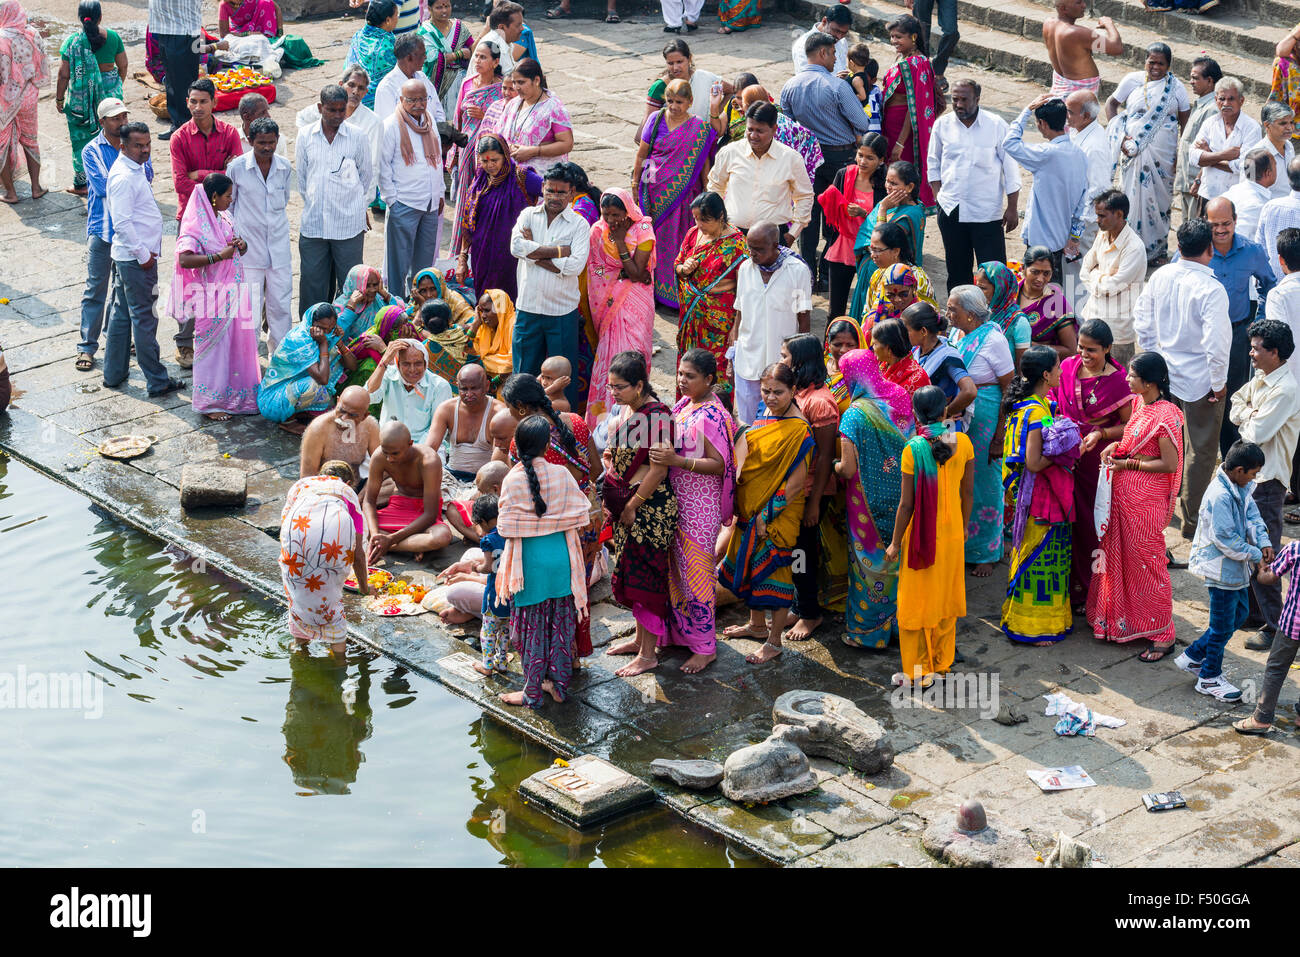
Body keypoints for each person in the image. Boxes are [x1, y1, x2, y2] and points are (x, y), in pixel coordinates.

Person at [1134, 220, 1232, 540]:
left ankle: (1160, 507)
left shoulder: (1161, 275)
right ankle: (1191, 522)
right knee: (1200, 452)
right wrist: (1219, 384)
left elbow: (1143, 321)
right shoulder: (1211, 289)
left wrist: (1152, 361)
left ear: (1178, 247)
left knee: (1167, 444)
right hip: (1200, 382)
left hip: (1164, 375)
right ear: (1210, 249)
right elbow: (1216, 345)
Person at [1088, 352, 1185, 656]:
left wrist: (1129, 465)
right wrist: (1116, 446)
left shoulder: (1167, 416)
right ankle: (1119, 621)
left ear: (1149, 381)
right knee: (1119, 560)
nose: (1127, 379)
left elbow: (1168, 464)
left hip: (1146, 503)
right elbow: (1133, 440)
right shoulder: (1141, 404)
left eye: (1132, 375)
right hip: (1124, 497)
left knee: (1148, 564)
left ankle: (1163, 635)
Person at [646, 349, 736, 673]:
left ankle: (705, 647)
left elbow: (719, 465)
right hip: (680, 501)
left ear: (709, 379)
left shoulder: (711, 416)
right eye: (681, 374)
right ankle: (676, 634)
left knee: (697, 575)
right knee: (676, 572)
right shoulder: (686, 405)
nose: (682, 381)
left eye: (690, 376)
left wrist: (677, 462)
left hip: (701, 507)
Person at [719, 361, 814, 664]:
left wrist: (766, 515)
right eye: (765, 391)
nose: (770, 398)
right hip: (751, 510)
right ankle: (756, 626)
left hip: (778, 514)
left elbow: (796, 484)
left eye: (778, 392)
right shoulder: (767, 417)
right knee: (747, 567)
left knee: (778, 572)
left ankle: (774, 640)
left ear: (794, 391)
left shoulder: (799, 430)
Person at [500, 372, 601, 656]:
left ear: (520, 408)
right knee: (578, 588)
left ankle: (551, 657)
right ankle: (575, 654)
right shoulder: (577, 422)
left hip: (552, 530)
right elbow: (595, 469)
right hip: (587, 520)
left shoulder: (522, 441)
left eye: (509, 407)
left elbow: (520, 489)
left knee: (549, 597)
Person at [495, 414, 590, 708]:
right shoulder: (562, 474)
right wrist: (553, 522)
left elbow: (504, 528)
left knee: (531, 630)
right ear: (547, 444)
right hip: (562, 559)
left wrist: (534, 524)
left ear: (517, 444)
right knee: (561, 627)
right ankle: (559, 686)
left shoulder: (512, 479)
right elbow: (582, 514)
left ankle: (532, 692)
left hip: (529, 565)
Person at [885, 384, 972, 682]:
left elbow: (906, 504)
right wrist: (962, 529)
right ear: (946, 411)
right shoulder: (962, 442)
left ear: (914, 415)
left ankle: (920, 673)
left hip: (921, 538)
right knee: (944, 602)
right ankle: (942, 663)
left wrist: (895, 543)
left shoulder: (913, 448)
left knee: (916, 605)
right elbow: (968, 494)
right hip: (952, 538)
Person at [602, 353, 679, 678]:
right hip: (628, 508)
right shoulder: (631, 411)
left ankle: (648, 654)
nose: (614, 393)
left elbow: (658, 470)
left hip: (649, 510)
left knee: (646, 580)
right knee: (630, 576)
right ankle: (638, 640)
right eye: (610, 387)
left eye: (619, 387)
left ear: (638, 385)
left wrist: (632, 506)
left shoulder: (658, 416)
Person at [1048, 318, 1132, 611]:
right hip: (1065, 453)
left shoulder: (1119, 381)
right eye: (1081, 348)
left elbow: (1129, 425)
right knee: (1064, 518)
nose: (1084, 355)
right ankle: (1067, 582)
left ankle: (1093, 587)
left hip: (1095, 462)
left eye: (1092, 350)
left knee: (1092, 524)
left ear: (1108, 349)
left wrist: (1100, 433)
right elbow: (1053, 397)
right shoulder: (1068, 367)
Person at [1178, 441, 1272, 701]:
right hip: (1220, 569)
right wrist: (1255, 555)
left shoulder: (1240, 486)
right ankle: (1208, 678)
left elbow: (1253, 516)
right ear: (1240, 470)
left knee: (1239, 613)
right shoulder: (1219, 495)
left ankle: (1194, 655)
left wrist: (1263, 542)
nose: (1255, 478)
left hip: (1236, 568)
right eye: (1253, 473)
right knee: (1221, 627)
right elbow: (1226, 539)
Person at [1229, 320, 1300, 654]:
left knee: (1266, 553)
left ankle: (1276, 627)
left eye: (1257, 348)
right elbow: (1236, 406)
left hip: (1268, 481)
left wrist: (1248, 415)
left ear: (1275, 352)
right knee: (1248, 545)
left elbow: (1256, 434)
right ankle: (1254, 611)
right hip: (1253, 479)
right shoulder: (1262, 377)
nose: (1252, 353)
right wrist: (1250, 412)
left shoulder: (1285, 389)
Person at [781, 31, 872, 290]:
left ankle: (808, 274)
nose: (835, 59)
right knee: (836, 216)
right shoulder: (837, 85)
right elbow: (862, 122)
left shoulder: (789, 85)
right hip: (838, 158)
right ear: (822, 53)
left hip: (805, 158)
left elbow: (788, 123)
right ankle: (828, 275)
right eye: (833, 53)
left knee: (807, 216)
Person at [836, 347, 914, 648]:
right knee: (898, 560)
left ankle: (867, 634)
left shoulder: (854, 415)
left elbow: (847, 468)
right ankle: (899, 624)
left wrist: (832, 466)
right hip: (903, 492)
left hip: (866, 500)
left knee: (868, 565)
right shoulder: (899, 394)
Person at [1000, 345, 1077, 645]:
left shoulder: (1037, 405)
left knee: (1035, 555)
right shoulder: (1035, 412)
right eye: (1057, 368)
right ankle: (1033, 626)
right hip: (1037, 499)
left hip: (1031, 496)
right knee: (1040, 559)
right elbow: (1033, 461)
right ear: (1046, 375)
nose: (1061, 372)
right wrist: (1065, 454)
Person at [103, 123, 185, 398]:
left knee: (123, 315)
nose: (145, 149)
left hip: (129, 257)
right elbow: (122, 223)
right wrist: (143, 255)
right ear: (123, 146)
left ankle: (114, 373)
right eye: (138, 145)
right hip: (135, 260)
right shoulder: (123, 177)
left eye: (147, 144)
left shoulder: (133, 170)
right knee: (144, 319)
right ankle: (157, 380)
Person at [1190, 197, 1276, 457]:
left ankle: (1229, 454)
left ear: (1235, 221)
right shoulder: (1195, 249)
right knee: (1201, 389)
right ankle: (1199, 450)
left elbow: (1268, 284)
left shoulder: (1252, 251)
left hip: (1239, 333)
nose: (1220, 230)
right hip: (1200, 335)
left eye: (1226, 223)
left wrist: (1259, 320)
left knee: (1234, 391)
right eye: (1214, 224)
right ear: (1206, 222)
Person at [170, 172, 260, 420]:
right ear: (213, 197)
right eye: (228, 195)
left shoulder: (226, 217)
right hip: (211, 295)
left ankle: (239, 395)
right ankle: (210, 403)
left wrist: (241, 245)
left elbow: (233, 245)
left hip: (236, 292)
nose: (231, 200)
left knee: (237, 345)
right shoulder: (195, 226)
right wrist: (218, 257)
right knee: (213, 350)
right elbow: (184, 258)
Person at [168, 78, 241, 369]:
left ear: (214, 103)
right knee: (190, 283)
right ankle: (185, 343)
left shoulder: (230, 133)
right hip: (191, 220)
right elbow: (181, 182)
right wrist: (216, 178)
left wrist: (202, 175)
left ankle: (220, 335)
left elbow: (234, 175)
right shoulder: (180, 138)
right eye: (192, 101)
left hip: (222, 219)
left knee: (222, 280)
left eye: (202, 101)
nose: (196, 107)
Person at [75, 99, 149, 372]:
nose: (122, 122)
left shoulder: (136, 145)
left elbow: (147, 176)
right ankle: (87, 347)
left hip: (130, 231)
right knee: (96, 288)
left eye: (124, 117)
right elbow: (105, 187)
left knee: (124, 290)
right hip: (104, 229)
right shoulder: (92, 150)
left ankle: (118, 339)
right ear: (102, 122)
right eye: (116, 118)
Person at [927, 79, 1021, 291]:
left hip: (986, 212)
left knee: (993, 272)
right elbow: (933, 163)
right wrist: (938, 198)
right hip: (951, 209)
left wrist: (1012, 207)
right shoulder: (942, 125)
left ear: (977, 99)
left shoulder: (996, 125)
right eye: (955, 99)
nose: (959, 104)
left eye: (964, 100)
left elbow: (1010, 168)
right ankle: (961, 317)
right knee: (957, 269)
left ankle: (997, 317)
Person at [510, 163, 589, 410]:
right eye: (550, 190)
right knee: (524, 373)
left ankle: (565, 431)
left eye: (560, 192)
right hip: (528, 308)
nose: (554, 197)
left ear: (571, 192)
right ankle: (519, 426)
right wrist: (557, 252)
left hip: (561, 312)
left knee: (563, 379)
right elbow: (516, 248)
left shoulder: (579, 225)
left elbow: (575, 266)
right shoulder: (527, 215)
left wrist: (534, 253)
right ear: (543, 188)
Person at [946, 285, 1014, 574]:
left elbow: (1009, 386)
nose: (947, 313)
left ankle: (987, 550)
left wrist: (1000, 434)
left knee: (984, 481)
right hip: (958, 413)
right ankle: (959, 543)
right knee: (958, 477)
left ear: (971, 315)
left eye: (953, 309)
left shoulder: (993, 339)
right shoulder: (955, 334)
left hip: (986, 414)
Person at [779, 334, 841, 641]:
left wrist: (815, 503)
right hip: (795, 487)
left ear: (800, 361)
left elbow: (827, 455)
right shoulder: (798, 393)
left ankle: (810, 613)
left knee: (803, 550)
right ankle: (799, 603)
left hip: (811, 490)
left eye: (785, 357)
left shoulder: (820, 402)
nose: (781, 362)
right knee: (794, 550)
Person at [1104, 44, 1191, 265]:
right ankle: (1128, 249)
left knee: (1159, 204)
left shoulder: (1177, 89)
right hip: (1132, 152)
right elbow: (1111, 104)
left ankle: (1156, 252)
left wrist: (1180, 158)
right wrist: (1121, 137)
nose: (1155, 67)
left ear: (1168, 65)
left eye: (1161, 63)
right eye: (1151, 62)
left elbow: (1186, 125)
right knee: (1130, 199)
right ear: (1145, 61)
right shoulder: (1132, 80)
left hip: (1163, 158)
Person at [633, 77, 716, 309]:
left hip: (684, 198)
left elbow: (704, 164)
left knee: (679, 244)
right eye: (670, 101)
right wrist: (634, 183)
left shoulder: (699, 128)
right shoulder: (655, 119)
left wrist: (708, 193)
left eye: (679, 102)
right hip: (653, 193)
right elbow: (642, 154)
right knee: (653, 243)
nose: (674, 106)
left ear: (690, 102)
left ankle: (676, 296)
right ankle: (653, 292)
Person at [297, 85, 374, 316]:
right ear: (320, 108)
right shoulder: (305, 135)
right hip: (314, 226)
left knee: (352, 286)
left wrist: (356, 207)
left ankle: (349, 339)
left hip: (348, 226)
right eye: (332, 110)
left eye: (342, 110)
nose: (338, 115)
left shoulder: (357, 136)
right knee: (312, 285)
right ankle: (309, 336)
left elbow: (366, 177)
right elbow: (302, 180)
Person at [585, 188, 655, 429]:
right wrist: (623, 271)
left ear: (628, 211)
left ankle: (636, 419)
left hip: (637, 302)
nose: (612, 221)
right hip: (610, 303)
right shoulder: (597, 231)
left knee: (634, 353)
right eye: (606, 214)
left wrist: (622, 242)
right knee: (609, 357)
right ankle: (602, 422)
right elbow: (597, 270)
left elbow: (636, 273)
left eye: (616, 214)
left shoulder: (643, 229)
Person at [278, 472, 369, 657]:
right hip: (335, 525)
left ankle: (299, 651)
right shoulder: (347, 493)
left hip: (298, 524)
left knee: (300, 591)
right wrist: (364, 588)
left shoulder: (302, 484)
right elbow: (358, 555)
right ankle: (339, 663)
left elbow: (285, 525)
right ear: (349, 482)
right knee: (329, 596)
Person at [731, 223, 813, 425]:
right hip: (748, 360)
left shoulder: (798, 271)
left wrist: (800, 359)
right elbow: (739, 312)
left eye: (759, 249)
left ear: (775, 245)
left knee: (775, 423)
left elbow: (803, 317)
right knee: (746, 423)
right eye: (750, 248)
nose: (753, 254)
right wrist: (734, 349)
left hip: (780, 363)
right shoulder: (745, 269)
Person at [675, 191, 747, 410]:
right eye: (696, 219)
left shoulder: (737, 245)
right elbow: (677, 264)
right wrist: (682, 269)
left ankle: (716, 413)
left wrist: (736, 326)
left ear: (721, 217)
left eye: (705, 220)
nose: (699, 224)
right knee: (688, 364)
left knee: (715, 366)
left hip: (717, 320)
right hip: (691, 317)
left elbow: (744, 288)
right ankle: (686, 409)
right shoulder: (692, 234)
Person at [1004, 95, 1088, 281]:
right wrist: (1074, 235)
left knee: (1035, 290)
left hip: (1040, 238)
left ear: (1042, 123)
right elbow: (1083, 201)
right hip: (1061, 237)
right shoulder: (1080, 155)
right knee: (1053, 288)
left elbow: (1009, 143)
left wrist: (1027, 110)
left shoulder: (1045, 153)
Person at [706, 101, 813, 245]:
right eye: (750, 129)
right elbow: (715, 187)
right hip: (731, 235)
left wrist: (793, 233)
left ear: (774, 129)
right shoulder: (730, 152)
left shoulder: (791, 159)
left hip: (772, 239)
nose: (753, 135)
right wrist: (718, 223)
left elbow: (805, 196)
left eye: (760, 131)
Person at [228, 116, 292, 353]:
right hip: (248, 253)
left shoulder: (284, 167)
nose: (267, 148)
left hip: (279, 250)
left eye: (271, 142)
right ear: (251, 141)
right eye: (261, 143)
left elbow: (283, 201)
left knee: (281, 308)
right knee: (250, 310)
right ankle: (248, 361)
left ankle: (281, 358)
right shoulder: (237, 168)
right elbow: (230, 207)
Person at [455, 135, 541, 302]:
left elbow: (551, 190)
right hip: (483, 257)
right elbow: (468, 224)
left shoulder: (521, 177)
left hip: (512, 258)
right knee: (486, 304)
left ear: (506, 156)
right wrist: (463, 258)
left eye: (495, 160)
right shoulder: (479, 181)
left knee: (510, 302)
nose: (490, 165)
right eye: (485, 161)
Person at [379, 78, 444, 294]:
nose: (418, 104)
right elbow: (382, 166)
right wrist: (392, 201)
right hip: (405, 203)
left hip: (430, 203)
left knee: (424, 267)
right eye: (412, 100)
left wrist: (440, 192)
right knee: (398, 264)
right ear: (401, 100)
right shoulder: (390, 126)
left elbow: (437, 161)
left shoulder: (430, 121)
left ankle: (420, 308)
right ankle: (397, 309)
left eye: (422, 99)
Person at [55, 1, 125, 195]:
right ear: (100, 17)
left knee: (81, 139)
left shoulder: (72, 42)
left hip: (81, 99)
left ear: (79, 17)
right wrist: (116, 86)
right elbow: (123, 65)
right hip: (110, 96)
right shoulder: (113, 37)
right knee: (114, 134)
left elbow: (63, 75)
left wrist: (60, 99)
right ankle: (116, 175)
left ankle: (82, 184)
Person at [849, 162, 933, 321]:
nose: (888, 186)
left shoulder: (909, 215)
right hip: (873, 271)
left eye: (894, 183)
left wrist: (882, 209)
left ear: (909, 187)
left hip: (893, 279)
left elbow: (880, 239)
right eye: (887, 181)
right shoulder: (893, 205)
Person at [1235, 537, 1300, 733]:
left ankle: (1261, 718)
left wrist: (1261, 571)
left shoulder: (1295, 548)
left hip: (1292, 624)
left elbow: (1269, 577)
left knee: (1276, 669)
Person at [363, 421, 453, 561]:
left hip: (423, 513)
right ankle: (412, 545)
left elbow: (430, 514)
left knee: (442, 537)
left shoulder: (428, 460)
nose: (389, 459)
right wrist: (374, 534)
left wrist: (391, 539)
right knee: (356, 524)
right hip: (397, 507)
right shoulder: (379, 456)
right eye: (385, 453)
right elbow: (369, 501)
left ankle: (387, 545)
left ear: (410, 444)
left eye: (395, 454)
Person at [819, 135, 886, 319]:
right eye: (860, 155)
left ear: (881, 161)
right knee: (835, 310)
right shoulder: (844, 174)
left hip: (869, 251)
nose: (863, 161)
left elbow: (887, 221)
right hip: (842, 247)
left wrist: (864, 214)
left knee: (868, 306)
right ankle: (831, 347)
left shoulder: (884, 185)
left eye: (870, 158)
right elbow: (830, 204)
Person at [257, 303, 352, 427]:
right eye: (321, 328)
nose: (326, 333)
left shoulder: (327, 335)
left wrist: (337, 342)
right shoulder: (299, 340)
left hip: (288, 390)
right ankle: (288, 421)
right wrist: (323, 343)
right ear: (310, 322)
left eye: (331, 328)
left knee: (334, 359)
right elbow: (322, 379)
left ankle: (300, 411)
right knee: (316, 384)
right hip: (272, 401)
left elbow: (352, 366)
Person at [1079, 189, 1145, 366]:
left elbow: (1111, 287)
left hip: (1117, 331)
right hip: (1093, 317)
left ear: (1119, 214)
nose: (1097, 220)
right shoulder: (1102, 235)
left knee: (1118, 383)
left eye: (1102, 216)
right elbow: (1084, 270)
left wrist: (1095, 274)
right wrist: (1101, 276)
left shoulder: (1134, 248)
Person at [448, 40, 503, 251]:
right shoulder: (467, 84)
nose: (478, 61)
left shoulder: (501, 88)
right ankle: (459, 249)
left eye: (483, 57)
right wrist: (453, 154)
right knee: (465, 196)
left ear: (495, 62)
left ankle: (482, 247)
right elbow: (457, 119)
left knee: (485, 197)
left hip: (489, 153)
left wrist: (485, 114)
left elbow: (505, 119)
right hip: (466, 149)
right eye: (476, 56)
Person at [880, 15, 937, 214]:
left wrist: (900, 142)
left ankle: (903, 214)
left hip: (903, 131)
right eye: (892, 36)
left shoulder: (916, 63)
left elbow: (915, 107)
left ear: (913, 37)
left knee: (901, 175)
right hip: (891, 125)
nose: (894, 41)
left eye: (898, 37)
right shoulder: (906, 60)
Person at [1189, 77, 1261, 211]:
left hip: (1234, 200)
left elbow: (1245, 167)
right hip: (1207, 194)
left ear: (1241, 101)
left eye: (1231, 99)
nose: (1226, 103)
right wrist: (1224, 155)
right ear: (1216, 100)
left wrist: (1209, 157)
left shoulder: (1252, 128)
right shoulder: (1210, 123)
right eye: (1222, 99)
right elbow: (1193, 157)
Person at [365, 338, 452, 444]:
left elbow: (437, 429)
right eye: (406, 364)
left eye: (418, 363)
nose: (412, 369)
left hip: (425, 445)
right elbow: (369, 397)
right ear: (398, 364)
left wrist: (413, 451)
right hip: (388, 443)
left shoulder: (439, 386)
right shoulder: (388, 375)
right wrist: (385, 361)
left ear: (426, 364)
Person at [426, 364, 504, 481]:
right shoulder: (446, 409)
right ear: (457, 386)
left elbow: (498, 463)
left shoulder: (499, 412)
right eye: (464, 389)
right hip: (451, 476)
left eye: (474, 388)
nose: (469, 394)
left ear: (487, 386)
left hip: (485, 479)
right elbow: (430, 449)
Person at [0, 2, 46, 202]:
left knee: (1, 144)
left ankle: (11, 192)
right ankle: (36, 188)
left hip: (5, 100)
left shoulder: (2, 40)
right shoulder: (32, 33)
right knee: (30, 140)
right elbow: (41, 61)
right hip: (29, 95)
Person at [495, 58, 570, 176]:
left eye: (521, 82)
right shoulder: (514, 104)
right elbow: (498, 133)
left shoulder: (554, 108)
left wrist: (534, 151)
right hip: (510, 173)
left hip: (541, 178)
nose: (516, 87)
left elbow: (566, 143)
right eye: (514, 82)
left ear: (536, 80)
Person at [905, 301, 976, 419]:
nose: (904, 334)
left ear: (923, 331)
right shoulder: (916, 350)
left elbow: (969, 391)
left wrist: (946, 413)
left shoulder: (947, 357)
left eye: (907, 330)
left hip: (941, 429)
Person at [1175, 56, 1224, 223]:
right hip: (1188, 181)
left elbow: (1210, 151)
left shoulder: (1212, 110)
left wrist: (1198, 180)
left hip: (1195, 183)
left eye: (1195, 78)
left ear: (1210, 81)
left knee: (1193, 230)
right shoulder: (1202, 105)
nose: (1191, 82)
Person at [299, 387, 381, 484]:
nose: (344, 419)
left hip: (357, 487)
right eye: (342, 411)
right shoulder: (318, 429)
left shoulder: (370, 426)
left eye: (352, 415)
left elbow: (382, 466)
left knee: (391, 483)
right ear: (338, 402)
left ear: (364, 416)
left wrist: (365, 495)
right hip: (326, 489)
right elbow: (307, 477)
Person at [468, 494, 511, 675]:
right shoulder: (510, 534)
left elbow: (487, 567)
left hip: (494, 594)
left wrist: (475, 566)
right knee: (505, 633)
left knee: (488, 631)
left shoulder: (488, 540)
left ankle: (487, 665)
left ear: (484, 522)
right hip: (511, 594)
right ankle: (501, 664)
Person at [1042, 0, 1121, 97]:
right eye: (1078, 3)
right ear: (1063, 8)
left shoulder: (1048, 23)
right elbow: (1116, 48)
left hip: (1059, 86)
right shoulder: (1077, 33)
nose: (1084, 5)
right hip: (1079, 98)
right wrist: (1109, 24)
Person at [147, 0, 200, 138]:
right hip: (171, 27)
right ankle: (181, 125)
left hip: (180, 29)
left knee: (180, 81)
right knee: (174, 80)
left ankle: (185, 127)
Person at [642, 40, 719, 129]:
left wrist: (715, 113)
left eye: (679, 62)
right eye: (670, 63)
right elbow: (641, 135)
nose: (675, 68)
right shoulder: (660, 86)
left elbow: (730, 91)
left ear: (689, 58)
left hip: (701, 138)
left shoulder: (704, 78)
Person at [419, 0, 475, 121]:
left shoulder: (459, 27)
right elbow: (431, 59)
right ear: (429, 9)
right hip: (437, 84)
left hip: (460, 84)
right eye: (439, 7)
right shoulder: (425, 31)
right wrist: (459, 54)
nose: (444, 11)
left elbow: (473, 49)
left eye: (447, 6)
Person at [1018, 246, 1077, 358]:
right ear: (1023, 269)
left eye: (1046, 273)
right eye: (1035, 272)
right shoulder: (1011, 295)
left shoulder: (1057, 303)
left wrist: (1033, 347)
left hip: (1039, 366)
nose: (1040, 279)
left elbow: (1070, 350)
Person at [976, 261, 1032, 367]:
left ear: (999, 289)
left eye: (983, 288)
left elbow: (1022, 370)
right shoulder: (978, 313)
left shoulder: (1018, 322)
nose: (978, 292)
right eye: (977, 287)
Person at [346, 0, 398, 110]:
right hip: (376, 103)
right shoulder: (386, 49)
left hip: (351, 96)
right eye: (396, 16)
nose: (398, 18)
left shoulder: (358, 35)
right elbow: (397, 78)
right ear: (388, 20)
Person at [1256, 158, 1300, 287]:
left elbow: (1260, 250)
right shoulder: (1271, 206)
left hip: (1272, 287)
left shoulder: (1271, 207)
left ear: (1289, 178)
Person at [1222, 149, 1275, 246]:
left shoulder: (1235, 189)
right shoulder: (1257, 205)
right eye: (1275, 165)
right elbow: (1241, 241)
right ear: (1268, 173)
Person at [1248, 101, 1295, 202]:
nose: (1289, 128)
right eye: (1283, 123)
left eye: (1291, 122)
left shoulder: (1289, 146)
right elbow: (1249, 192)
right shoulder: (1255, 155)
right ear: (1267, 125)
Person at [469, 288, 516, 388]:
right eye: (481, 311)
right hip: (488, 381)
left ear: (500, 308)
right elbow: (467, 352)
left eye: (487, 310)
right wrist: (475, 325)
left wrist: (494, 382)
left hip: (509, 380)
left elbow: (511, 363)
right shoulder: (484, 327)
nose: (483, 316)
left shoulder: (514, 325)